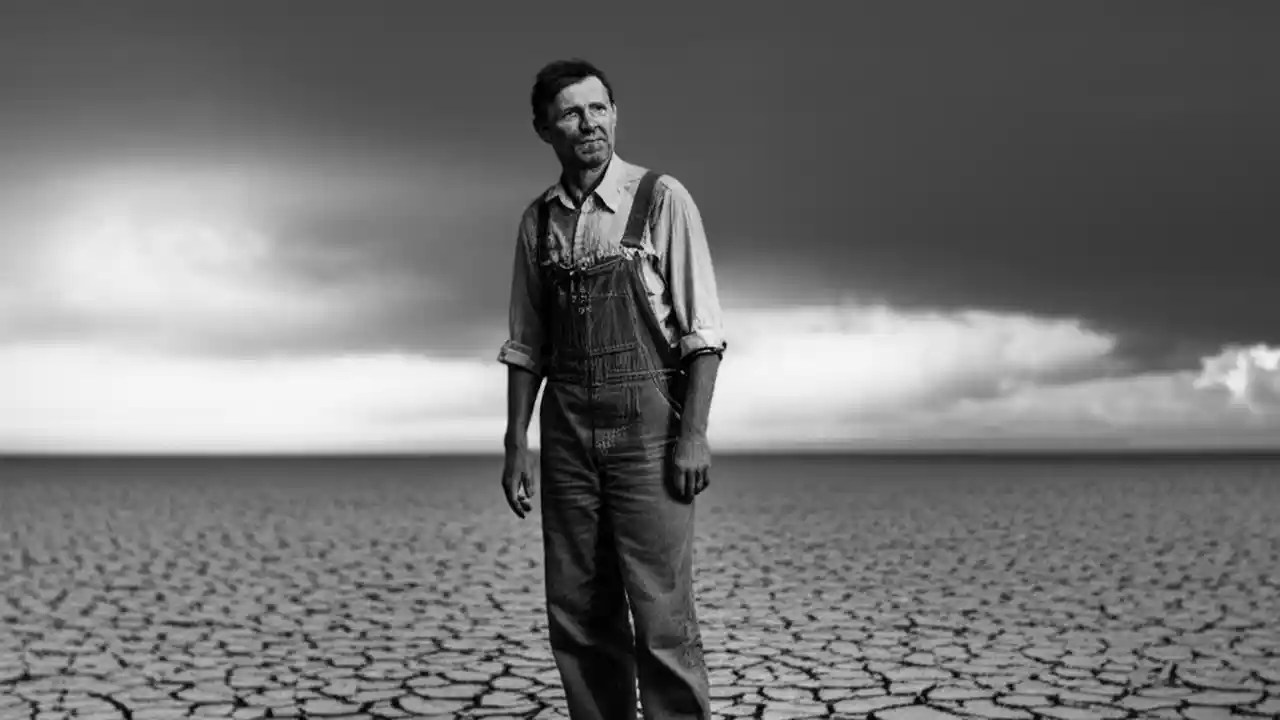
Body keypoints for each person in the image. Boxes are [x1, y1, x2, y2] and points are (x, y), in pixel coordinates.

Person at [497, 58, 727, 720]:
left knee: (662, 613)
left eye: (599, 108)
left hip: (649, 436)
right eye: (571, 113)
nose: (589, 123)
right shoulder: (538, 222)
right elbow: (527, 345)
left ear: (616, 114)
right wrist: (516, 442)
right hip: (567, 436)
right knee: (578, 611)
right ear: (545, 129)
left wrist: (693, 435)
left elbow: (703, 333)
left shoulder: (661, 199)